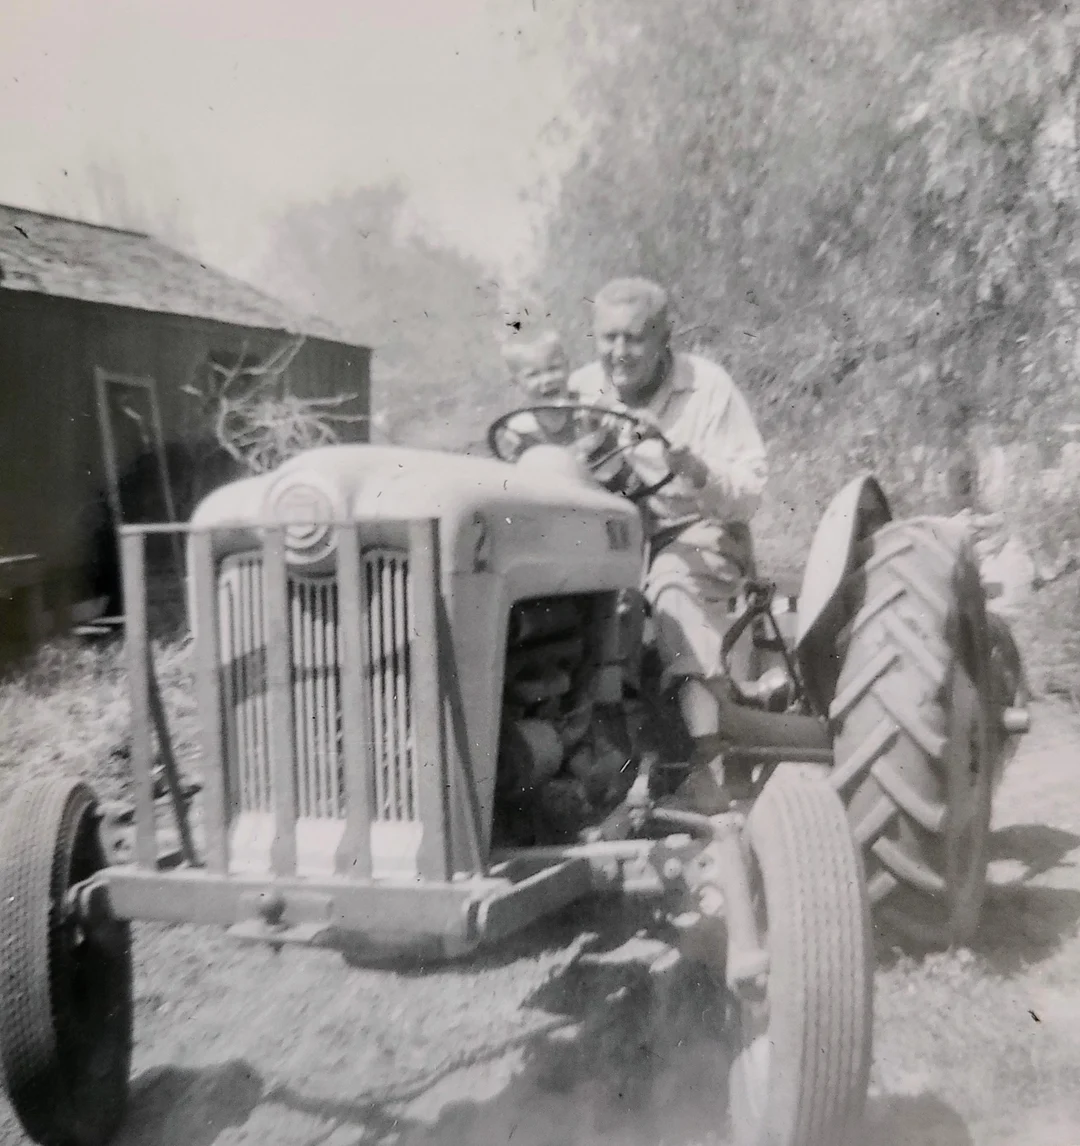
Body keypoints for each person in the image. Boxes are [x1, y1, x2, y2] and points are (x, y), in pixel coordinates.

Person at [568, 276, 769, 811]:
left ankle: (709, 764)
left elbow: (749, 493)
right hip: (618, 534)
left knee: (673, 589)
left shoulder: (709, 388)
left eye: (634, 338)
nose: (619, 352)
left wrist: (696, 467)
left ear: (664, 338)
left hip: (698, 529)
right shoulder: (579, 389)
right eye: (608, 338)